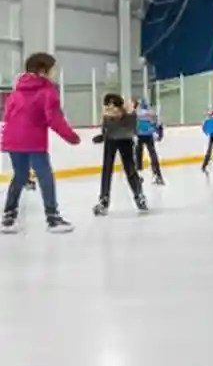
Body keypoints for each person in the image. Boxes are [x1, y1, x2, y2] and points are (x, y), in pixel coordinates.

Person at [1, 52, 80, 234]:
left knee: (20, 176)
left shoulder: (16, 91)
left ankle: (8, 217)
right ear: (43, 70)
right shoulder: (47, 90)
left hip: (13, 141)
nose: (54, 73)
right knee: (45, 176)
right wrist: (71, 136)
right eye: (52, 69)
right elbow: (54, 119)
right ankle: (53, 218)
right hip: (34, 141)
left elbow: (7, 116)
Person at [92, 94, 147, 216]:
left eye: (111, 108)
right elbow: (106, 130)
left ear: (119, 107)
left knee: (130, 170)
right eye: (106, 108)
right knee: (107, 170)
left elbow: (134, 129)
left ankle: (139, 195)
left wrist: (130, 113)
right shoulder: (107, 117)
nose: (108, 111)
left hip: (125, 141)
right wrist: (102, 137)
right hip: (111, 141)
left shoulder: (130, 116)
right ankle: (104, 199)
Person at [133, 99, 165, 186]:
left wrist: (133, 134)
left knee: (137, 155)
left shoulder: (136, 113)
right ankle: (158, 174)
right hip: (149, 135)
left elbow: (133, 124)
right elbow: (158, 125)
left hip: (139, 135)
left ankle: (137, 174)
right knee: (152, 154)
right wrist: (159, 134)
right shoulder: (152, 113)